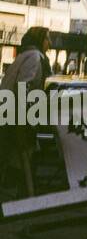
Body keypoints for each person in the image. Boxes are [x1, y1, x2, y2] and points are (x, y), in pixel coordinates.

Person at [0, 26, 53, 199]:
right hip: (16, 117)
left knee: (12, 158)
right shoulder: (35, 58)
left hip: (8, 115)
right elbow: (24, 88)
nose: (49, 43)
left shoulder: (23, 56)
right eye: (47, 38)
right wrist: (23, 122)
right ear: (39, 40)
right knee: (22, 157)